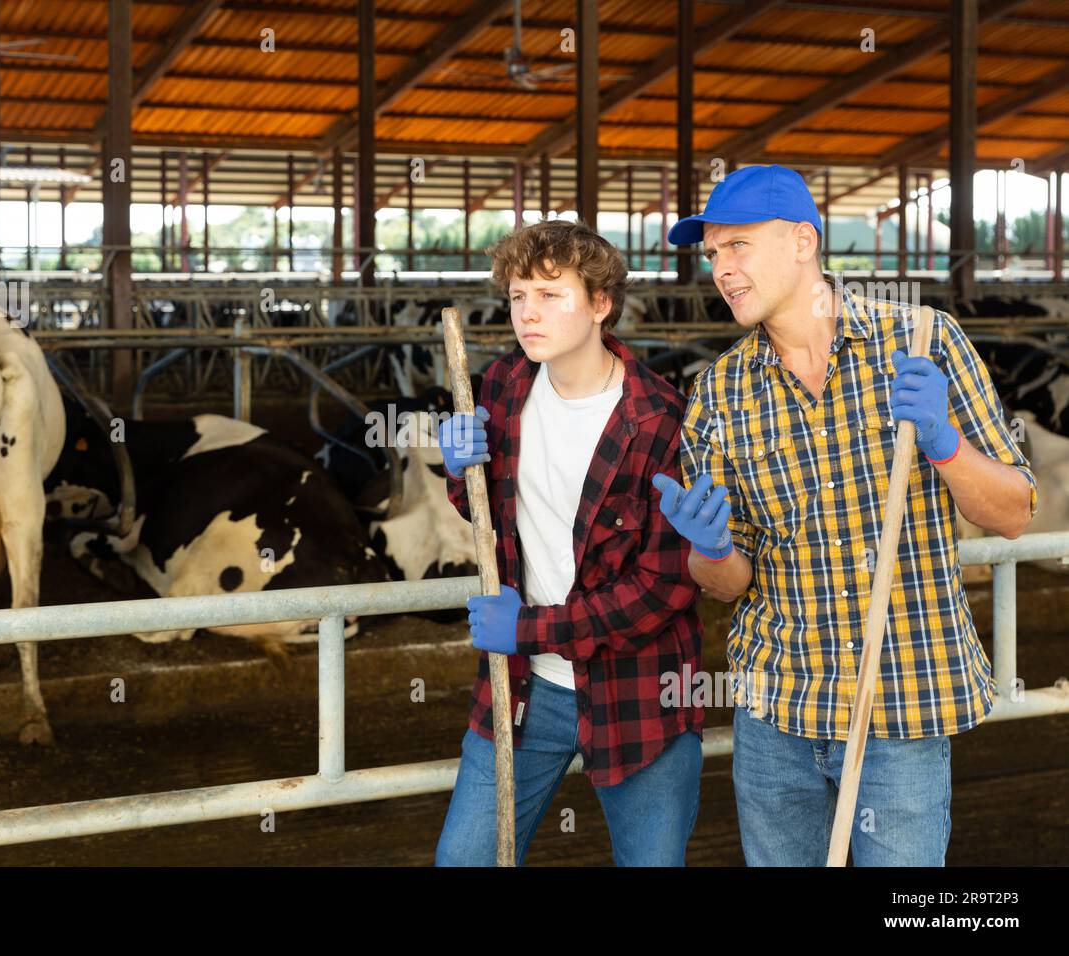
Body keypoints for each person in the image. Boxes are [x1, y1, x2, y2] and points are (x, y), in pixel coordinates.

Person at [656, 164, 1037, 866]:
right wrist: (706, 547)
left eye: (736, 246)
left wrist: (946, 446)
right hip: (777, 714)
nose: (721, 270)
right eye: (712, 255)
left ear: (803, 241)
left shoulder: (924, 341)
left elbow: (1013, 513)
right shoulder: (718, 392)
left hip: (900, 702)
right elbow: (727, 584)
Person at [433, 219, 704, 867]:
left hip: (639, 696)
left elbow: (659, 591)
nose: (529, 314)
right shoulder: (500, 387)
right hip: (521, 688)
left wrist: (526, 627)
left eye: (552, 296)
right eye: (519, 296)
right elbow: (489, 515)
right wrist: (456, 472)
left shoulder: (659, 419)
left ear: (601, 304)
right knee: (464, 860)